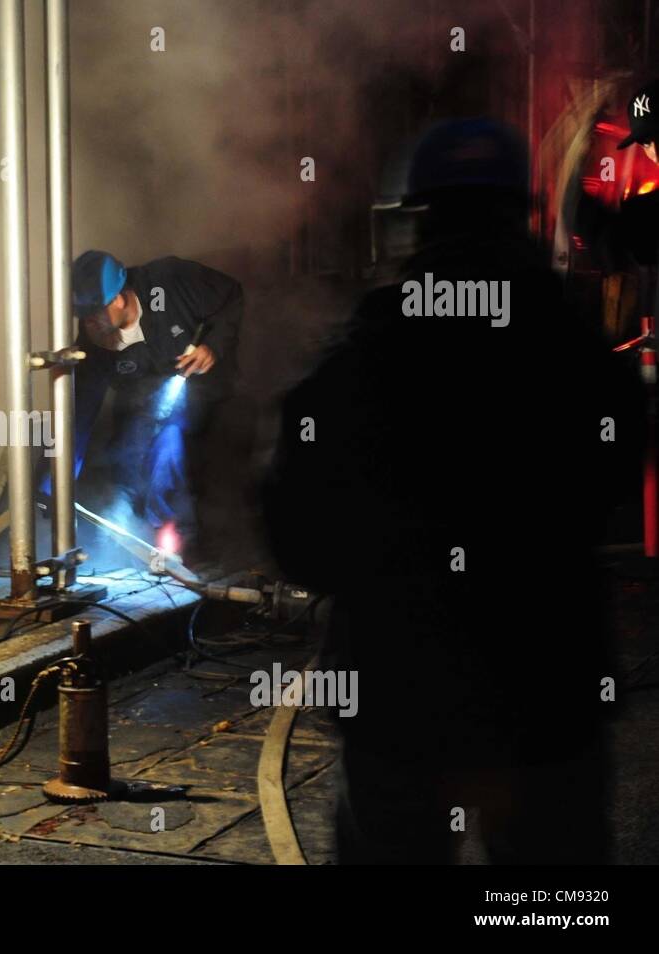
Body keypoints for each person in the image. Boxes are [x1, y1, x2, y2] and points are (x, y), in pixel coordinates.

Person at [263, 119, 644, 863]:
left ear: (419, 220)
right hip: (547, 701)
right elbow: (613, 486)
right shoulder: (579, 351)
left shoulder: (365, 355)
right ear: (522, 214)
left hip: (401, 704)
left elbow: (298, 534)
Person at [65, 250, 243, 557]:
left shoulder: (169, 281)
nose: (90, 324)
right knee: (127, 453)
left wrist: (212, 346)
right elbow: (83, 408)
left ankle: (179, 545)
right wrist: (58, 475)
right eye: (84, 317)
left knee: (168, 449)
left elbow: (231, 296)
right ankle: (123, 538)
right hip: (142, 401)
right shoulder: (94, 338)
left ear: (119, 299)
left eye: (96, 313)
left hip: (200, 389)